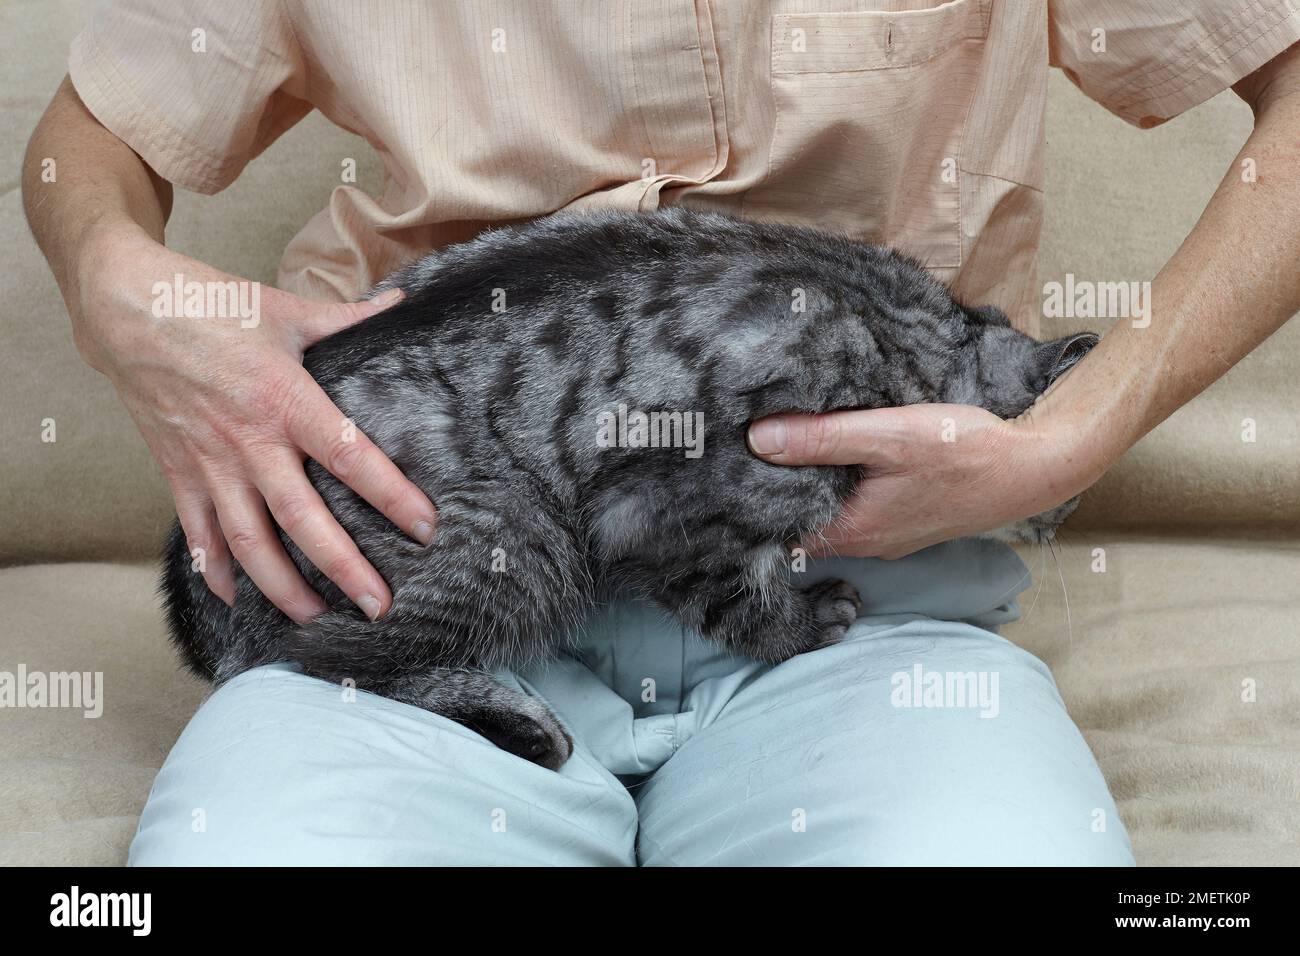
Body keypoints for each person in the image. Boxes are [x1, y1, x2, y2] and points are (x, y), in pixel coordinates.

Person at [23, 1, 1299, 865]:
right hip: (397, 586)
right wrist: (121, 295)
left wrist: (1077, 434)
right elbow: (81, 143)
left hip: (864, 614)